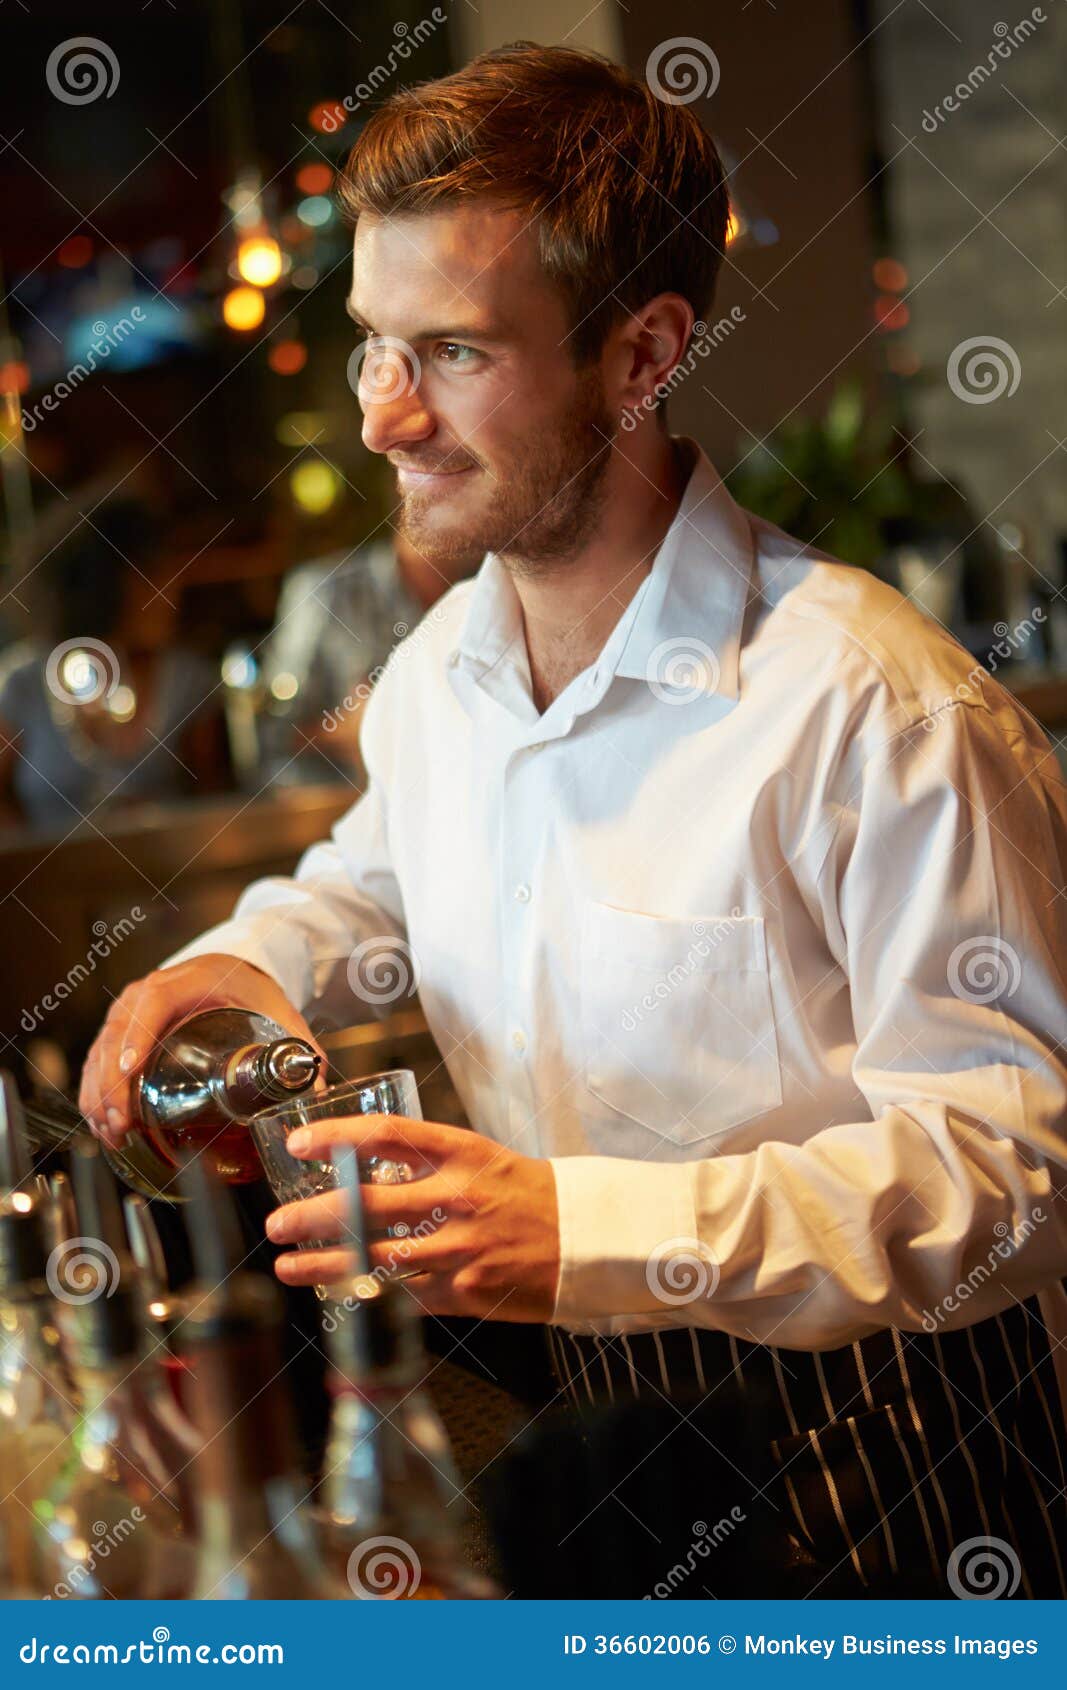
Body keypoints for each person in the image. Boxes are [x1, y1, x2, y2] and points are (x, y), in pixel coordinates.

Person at [79, 43, 1067, 1596]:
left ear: (640, 353)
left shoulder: (871, 705)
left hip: (900, 1464)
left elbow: (1017, 1165)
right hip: (616, 1443)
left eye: (453, 352)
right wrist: (252, 959)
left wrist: (574, 1227)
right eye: (373, 347)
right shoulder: (439, 676)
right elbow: (370, 880)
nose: (384, 418)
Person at [0, 496, 225, 831]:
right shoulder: (23, 682)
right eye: (150, 578)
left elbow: (214, 802)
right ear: (102, 584)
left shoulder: (191, 681)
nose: (170, 592)